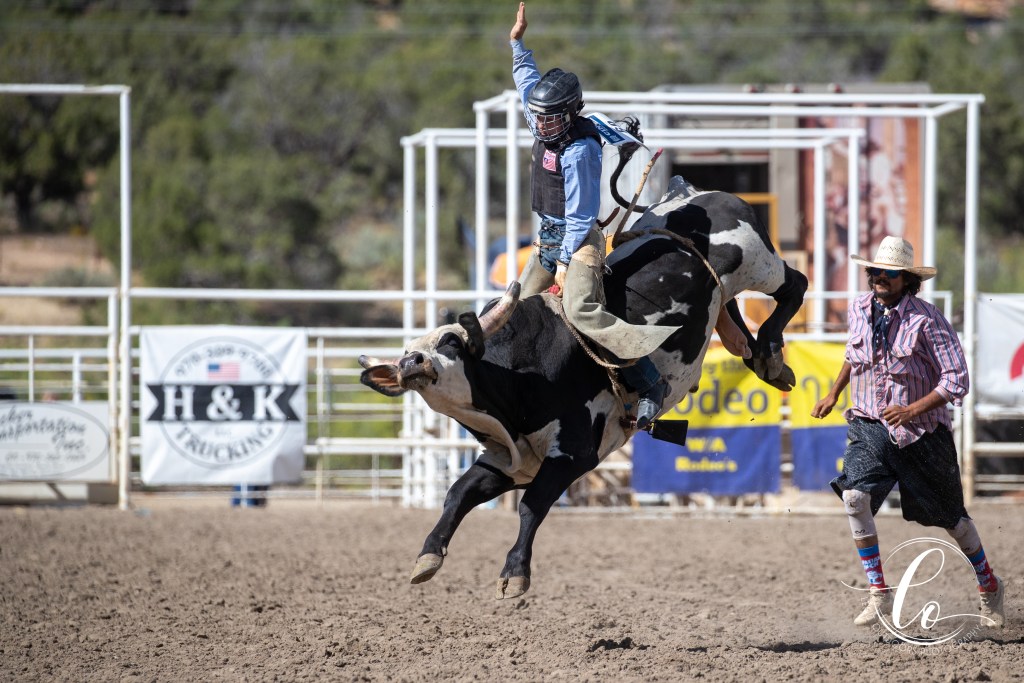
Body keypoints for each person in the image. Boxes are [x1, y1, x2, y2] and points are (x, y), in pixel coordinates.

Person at [509, 2, 748, 429]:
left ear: (569, 115)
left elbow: (581, 218)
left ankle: (649, 380)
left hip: (577, 245)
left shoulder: (580, 151)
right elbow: (527, 83)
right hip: (548, 242)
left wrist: (564, 264)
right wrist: (517, 44)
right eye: (540, 119)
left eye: (549, 120)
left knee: (581, 311)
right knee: (518, 314)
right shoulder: (545, 120)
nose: (540, 127)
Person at [811, 236, 1005, 628]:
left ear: (906, 279)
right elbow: (853, 355)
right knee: (854, 497)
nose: (880, 277)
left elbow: (957, 379)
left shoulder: (926, 319)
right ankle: (878, 592)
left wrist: (912, 409)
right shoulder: (859, 309)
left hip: (922, 433)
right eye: (877, 270)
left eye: (890, 272)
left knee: (953, 519)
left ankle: (989, 585)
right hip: (869, 423)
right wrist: (833, 392)